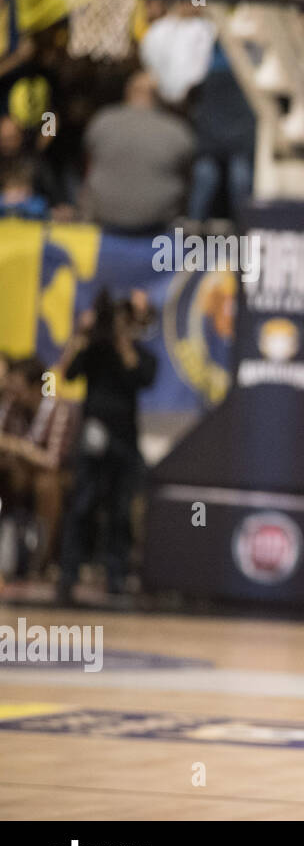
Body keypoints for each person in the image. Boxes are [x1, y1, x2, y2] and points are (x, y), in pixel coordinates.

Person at [55, 291, 157, 602]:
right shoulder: (95, 348)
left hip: (124, 441)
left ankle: (116, 576)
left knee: (121, 511)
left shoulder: (141, 353)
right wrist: (80, 334)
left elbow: (141, 378)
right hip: (92, 439)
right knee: (82, 506)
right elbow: (67, 372)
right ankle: (67, 575)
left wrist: (122, 337)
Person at [81, 71, 194, 236]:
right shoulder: (178, 131)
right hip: (156, 231)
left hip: (103, 227)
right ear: (160, 97)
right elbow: (188, 181)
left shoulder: (102, 122)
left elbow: (89, 169)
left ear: (128, 92)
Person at [0, 356, 78, 578]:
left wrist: (19, 448)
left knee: (46, 485)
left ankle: (40, 561)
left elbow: (53, 462)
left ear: (35, 387)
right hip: (18, 472)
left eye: (18, 388)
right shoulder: (11, 406)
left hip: (55, 477)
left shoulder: (57, 409)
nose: (12, 394)